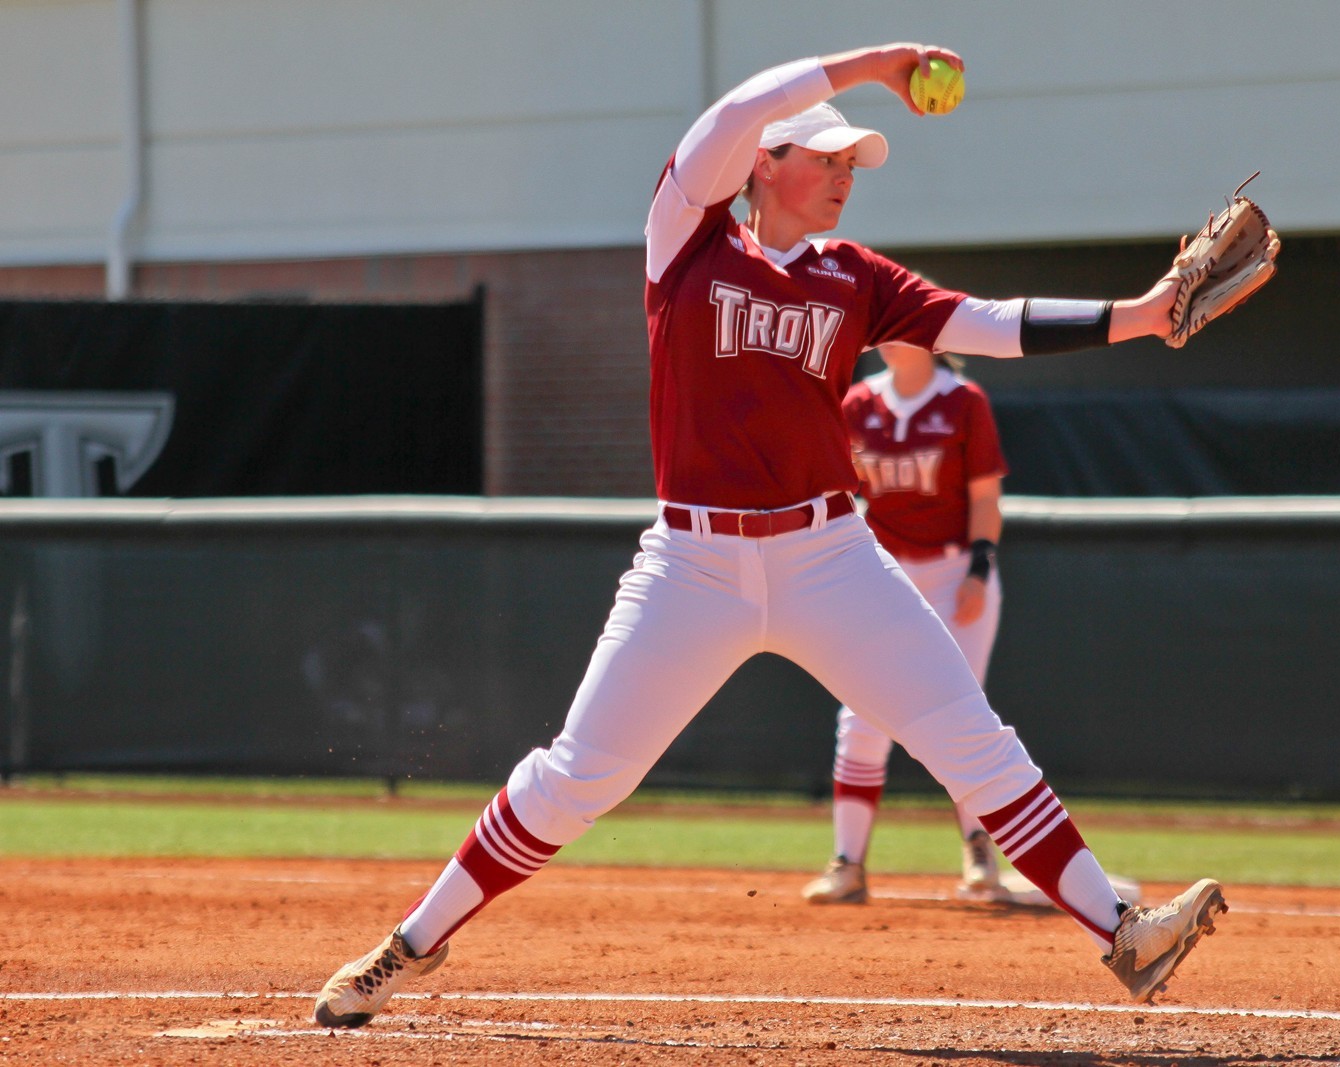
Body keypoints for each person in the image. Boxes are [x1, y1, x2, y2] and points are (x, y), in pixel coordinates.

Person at [314, 42, 1236, 1029]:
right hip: (691, 563)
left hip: (828, 556)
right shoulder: (686, 238)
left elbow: (986, 321)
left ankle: (1123, 929)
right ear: (766, 164)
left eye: (852, 165)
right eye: (826, 158)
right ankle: (408, 944)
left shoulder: (856, 277)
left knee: (973, 741)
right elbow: (734, 112)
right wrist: (877, 62)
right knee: (577, 776)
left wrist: (1139, 316)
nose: (843, 176)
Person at [802, 340, 1014, 904]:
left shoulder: (963, 401)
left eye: (902, 326)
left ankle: (977, 850)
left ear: (930, 341)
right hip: (884, 575)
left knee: (961, 714)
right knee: (863, 714)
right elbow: (834, 490)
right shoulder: (858, 402)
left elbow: (985, 497)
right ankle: (848, 864)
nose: (888, 336)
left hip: (953, 574)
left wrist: (978, 567)